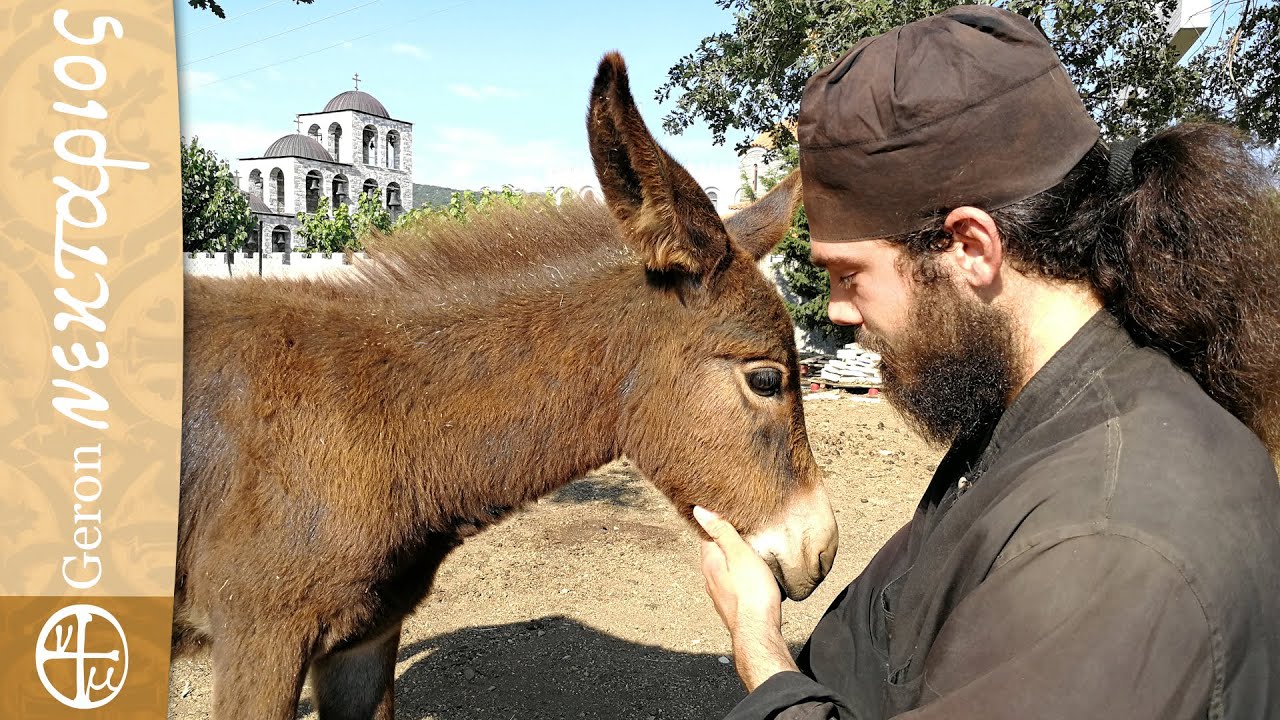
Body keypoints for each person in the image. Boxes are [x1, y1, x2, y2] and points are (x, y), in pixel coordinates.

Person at [692, 5, 1280, 718]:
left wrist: (759, 645)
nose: (838, 310)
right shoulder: (1031, 401)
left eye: (849, 274)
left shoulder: (1108, 545)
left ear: (971, 247)